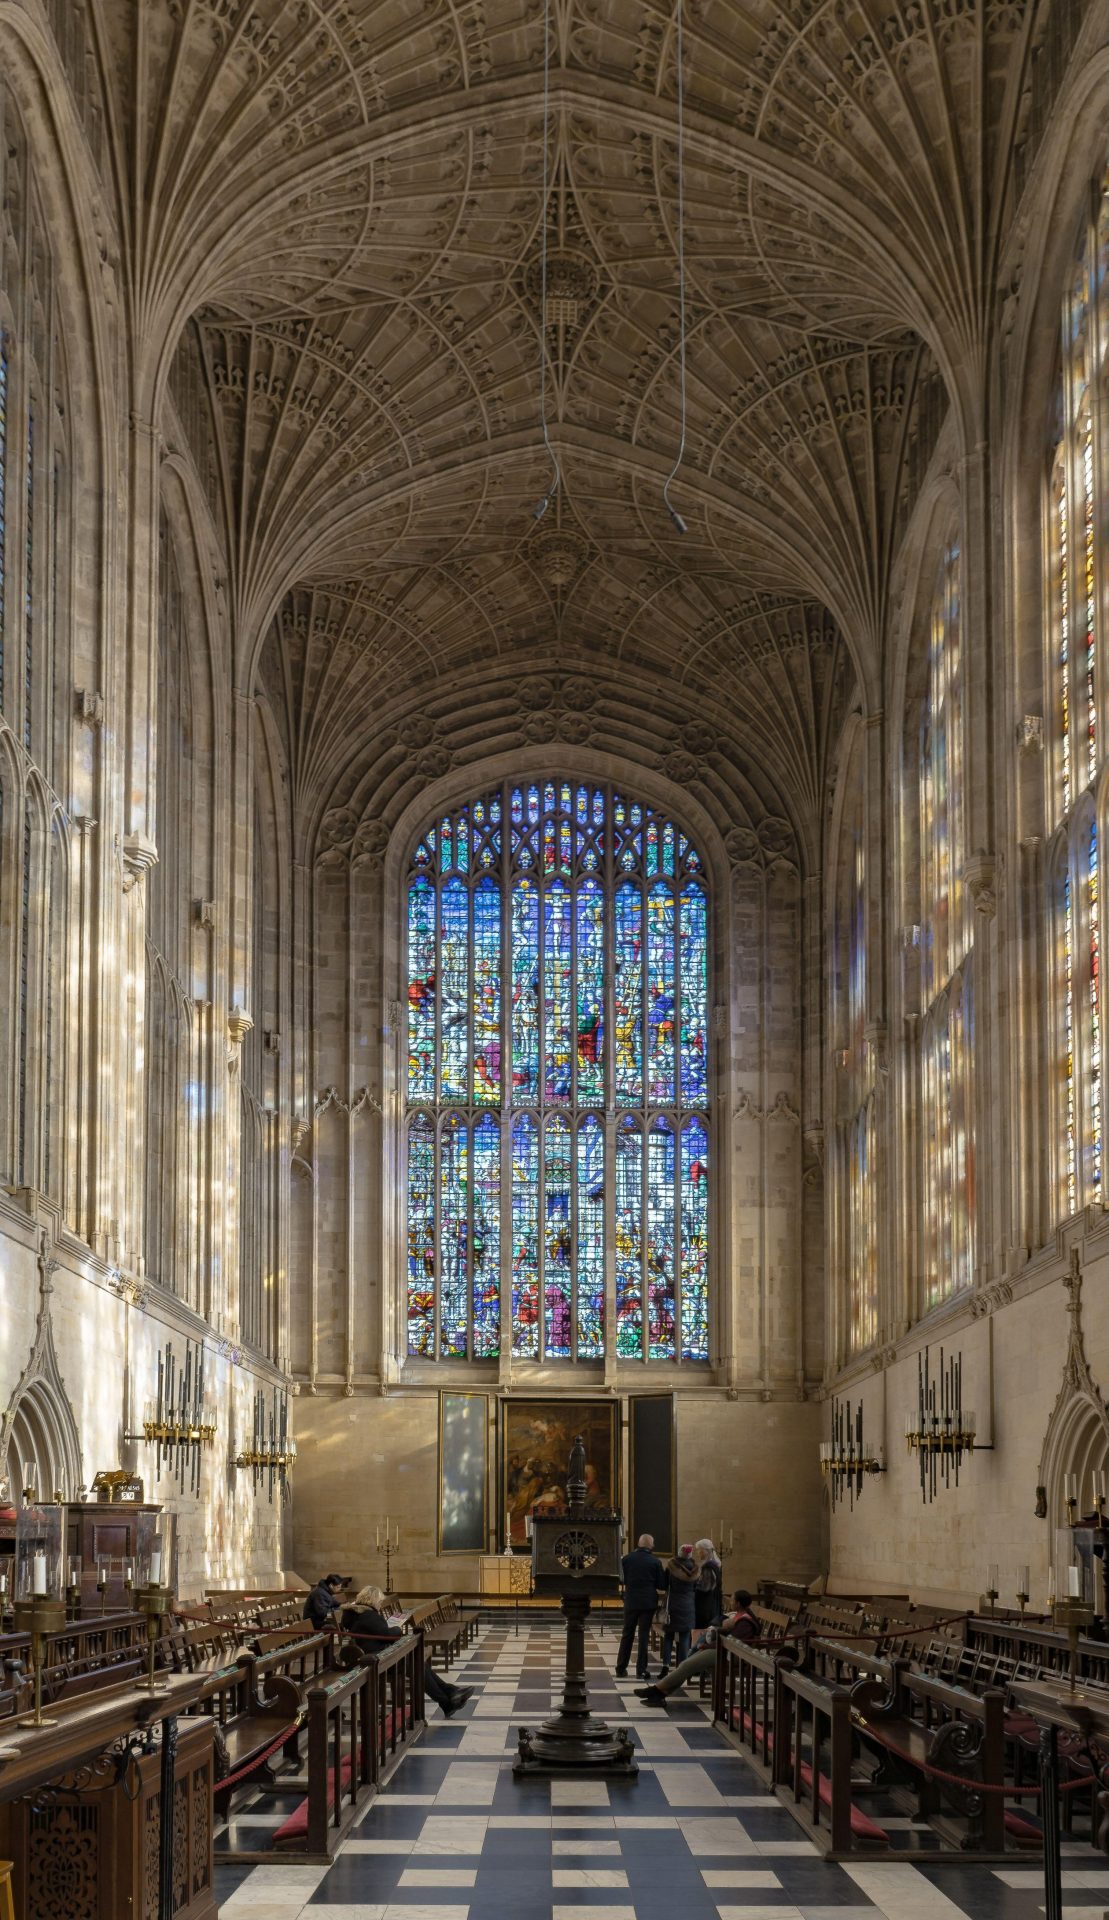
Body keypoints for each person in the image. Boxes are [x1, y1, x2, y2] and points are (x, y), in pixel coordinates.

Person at [342, 1584, 474, 1718]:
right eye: (379, 1601)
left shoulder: (357, 1614)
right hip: (379, 1660)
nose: (380, 1604)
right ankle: (447, 1700)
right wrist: (397, 1629)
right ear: (373, 1600)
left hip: (377, 1656)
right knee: (417, 1666)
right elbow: (389, 1634)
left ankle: (450, 1694)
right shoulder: (368, 1616)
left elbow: (380, 1633)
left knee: (418, 1662)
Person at [637, 1589, 758, 1705]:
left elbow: (732, 1642)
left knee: (687, 1665)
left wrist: (709, 1644)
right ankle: (659, 1694)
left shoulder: (745, 1622)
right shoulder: (738, 1616)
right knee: (686, 1664)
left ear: (738, 1603)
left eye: (732, 1600)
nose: (730, 1602)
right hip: (721, 1650)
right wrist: (718, 1632)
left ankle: (655, 1690)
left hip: (729, 1655)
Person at [615, 1533, 665, 1678]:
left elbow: (621, 1579)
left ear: (639, 1544)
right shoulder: (655, 1561)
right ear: (650, 1545)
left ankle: (620, 1668)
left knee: (627, 1634)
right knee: (643, 1636)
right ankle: (641, 1670)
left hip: (631, 1600)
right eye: (653, 1543)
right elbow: (661, 1585)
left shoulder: (626, 1559)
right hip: (648, 1603)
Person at [658, 1543, 698, 1674]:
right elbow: (696, 1587)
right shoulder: (695, 1568)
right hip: (688, 1605)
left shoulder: (671, 1566)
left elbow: (664, 1584)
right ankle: (682, 1667)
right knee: (685, 1636)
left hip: (673, 1604)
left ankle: (666, 1665)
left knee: (669, 1635)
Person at [693, 1539, 723, 1631]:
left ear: (705, 1551)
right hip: (712, 1601)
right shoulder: (715, 1565)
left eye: (699, 1550)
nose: (698, 1553)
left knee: (702, 1629)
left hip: (705, 1604)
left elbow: (704, 1587)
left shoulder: (708, 1567)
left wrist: (693, 1586)